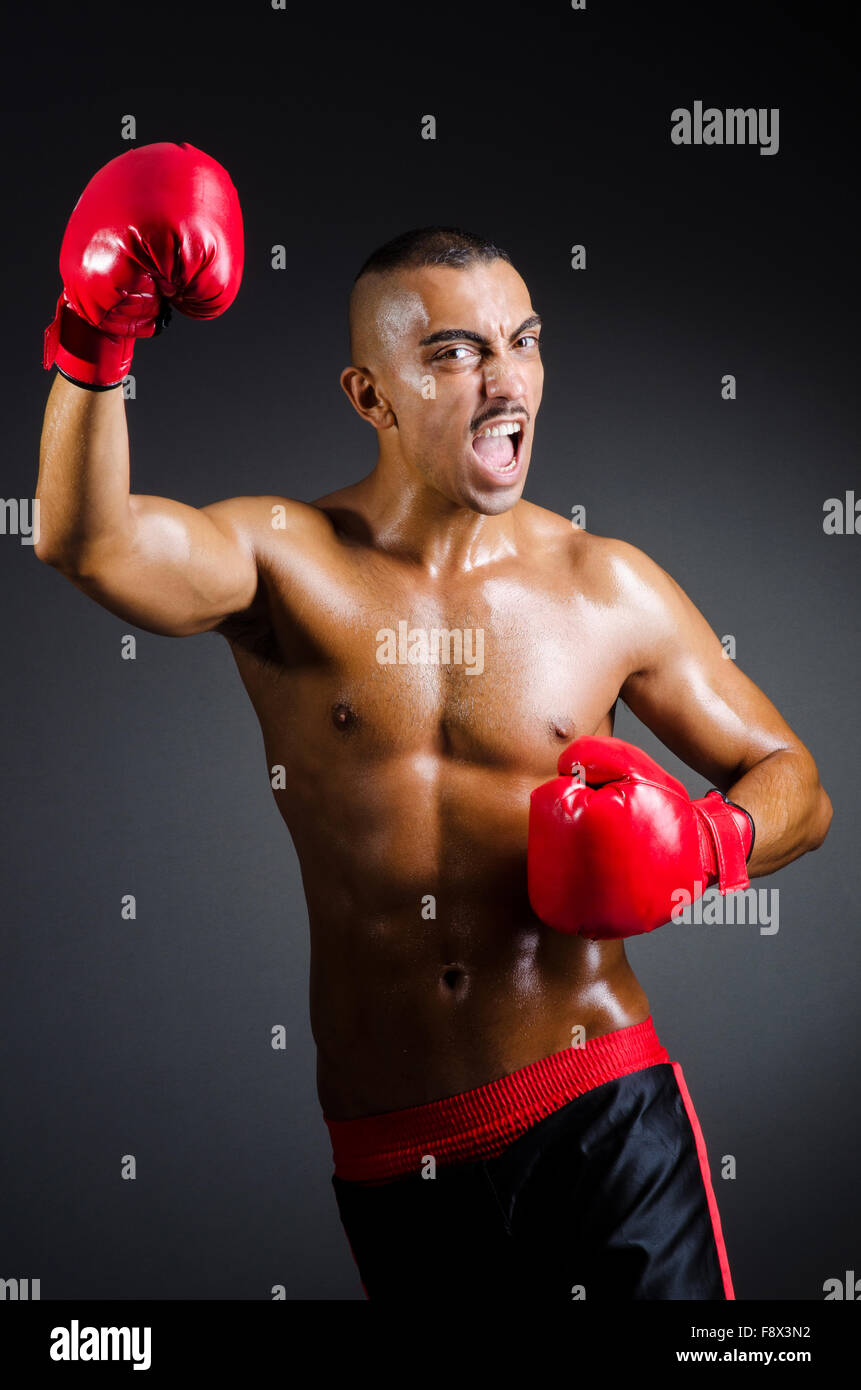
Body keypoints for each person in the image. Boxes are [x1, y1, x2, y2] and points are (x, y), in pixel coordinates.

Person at [36, 142, 832, 1301]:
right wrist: (93, 336)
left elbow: (796, 779)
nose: (505, 381)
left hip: (601, 1117)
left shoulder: (606, 584)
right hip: (395, 1160)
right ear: (371, 395)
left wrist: (708, 843)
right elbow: (85, 541)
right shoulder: (284, 561)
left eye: (523, 341)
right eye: (455, 353)